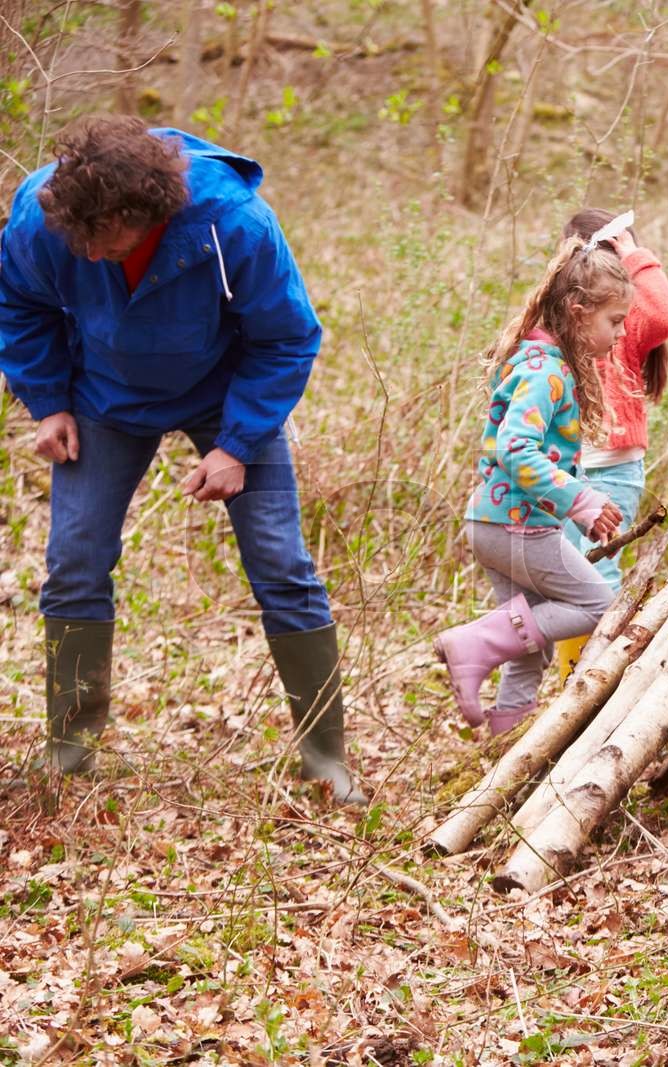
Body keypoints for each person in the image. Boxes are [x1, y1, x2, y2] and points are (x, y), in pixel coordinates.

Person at [0, 116, 364, 804]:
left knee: (283, 567)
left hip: (227, 396)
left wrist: (237, 444)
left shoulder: (236, 225)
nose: (89, 252)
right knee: (74, 564)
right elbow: (19, 303)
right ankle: (69, 757)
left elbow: (288, 338)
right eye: (78, 239)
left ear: (144, 213)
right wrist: (47, 401)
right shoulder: (44, 215)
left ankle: (326, 761)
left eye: (102, 238)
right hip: (102, 397)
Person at [431, 237, 626, 736]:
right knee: (598, 603)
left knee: (528, 645)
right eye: (614, 321)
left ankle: (505, 750)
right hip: (518, 527)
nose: (621, 332)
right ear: (579, 313)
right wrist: (579, 499)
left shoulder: (539, 361)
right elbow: (516, 449)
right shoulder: (545, 370)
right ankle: (474, 643)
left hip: (497, 523)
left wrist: (578, 503)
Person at [557, 209, 668, 591]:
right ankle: (572, 632)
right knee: (564, 565)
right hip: (566, 469)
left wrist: (635, 257)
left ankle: (600, 632)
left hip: (613, 470)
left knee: (598, 567)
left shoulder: (623, 323)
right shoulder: (564, 318)